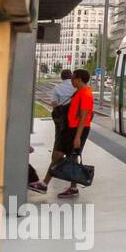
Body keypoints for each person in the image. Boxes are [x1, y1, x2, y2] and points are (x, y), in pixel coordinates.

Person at [31, 69, 94, 197]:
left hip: (77, 130)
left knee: (64, 156)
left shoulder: (86, 93)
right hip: (70, 129)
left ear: (79, 79)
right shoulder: (79, 91)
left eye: (73, 78)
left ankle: (46, 184)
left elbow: (84, 116)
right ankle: (60, 186)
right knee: (62, 156)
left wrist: (77, 137)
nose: (71, 81)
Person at [48, 68, 75, 171]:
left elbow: (54, 104)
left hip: (61, 119)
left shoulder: (57, 88)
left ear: (62, 77)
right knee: (71, 142)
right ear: (71, 76)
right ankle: (70, 164)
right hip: (73, 120)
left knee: (58, 139)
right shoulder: (76, 87)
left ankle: (56, 164)